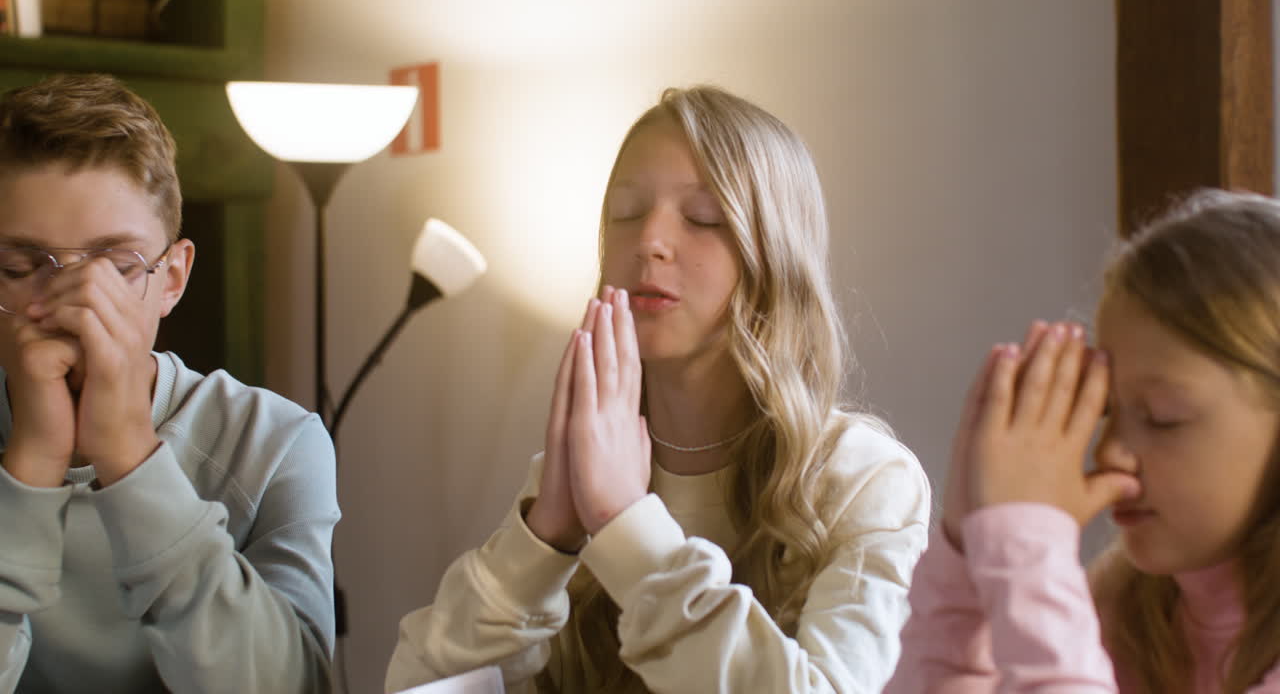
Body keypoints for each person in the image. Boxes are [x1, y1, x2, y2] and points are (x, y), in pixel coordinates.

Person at [385, 85, 931, 694]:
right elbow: (417, 685)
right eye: (625, 212)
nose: (649, 241)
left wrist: (625, 525)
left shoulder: (864, 481)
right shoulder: (583, 471)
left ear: (772, 256)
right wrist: (546, 538)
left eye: (703, 218)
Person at [0, 73, 340, 693]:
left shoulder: (277, 443)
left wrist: (130, 455)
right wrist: (28, 468)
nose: (77, 304)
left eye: (119, 267)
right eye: (22, 267)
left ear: (173, 277)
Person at [886, 188, 1280, 693]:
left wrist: (1026, 544)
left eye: (1162, 418)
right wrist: (966, 554)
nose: (1110, 453)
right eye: (1108, 412)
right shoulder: (1125, 618)